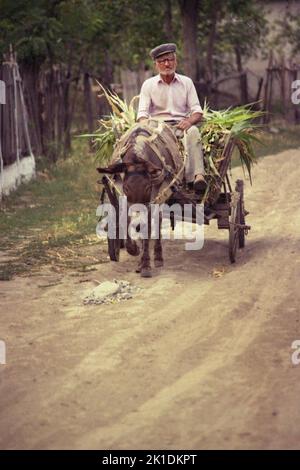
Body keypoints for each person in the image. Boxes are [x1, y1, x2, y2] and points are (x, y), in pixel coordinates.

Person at [137, 42, 206, 191]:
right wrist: (148, 129)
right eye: (162, 61)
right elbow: (142, 114)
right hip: (158, 129)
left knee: (194, 132)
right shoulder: (148, 85)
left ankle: (197, 176)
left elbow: (197, 110)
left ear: (176, 61)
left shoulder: (186, 82)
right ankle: (149, 183)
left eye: (170, 59)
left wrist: (189, 122)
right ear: (156, 64)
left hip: (181, 127)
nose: (167, 64)